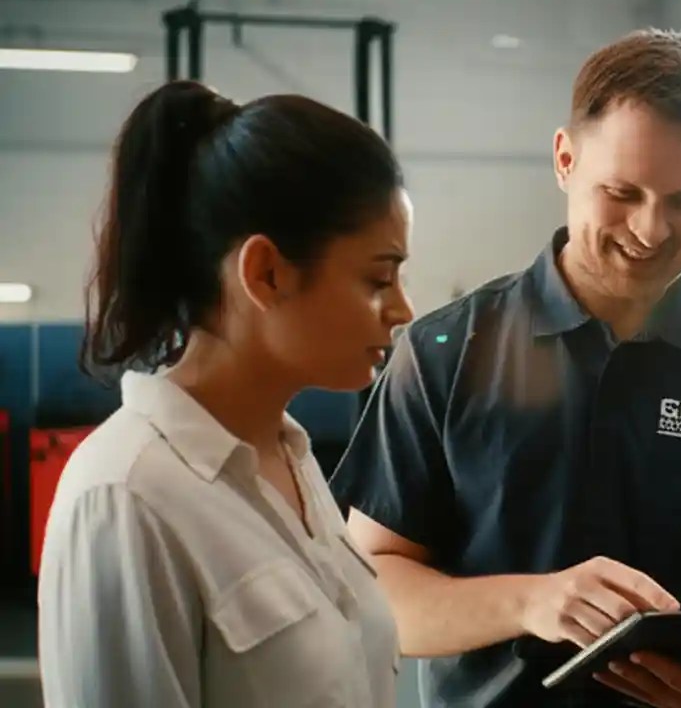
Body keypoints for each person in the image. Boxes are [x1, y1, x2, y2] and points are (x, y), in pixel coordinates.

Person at [331, 28, 681, 708]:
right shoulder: (446, 354)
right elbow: (370, 588)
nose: (650, 230)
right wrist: (530, 601)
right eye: (622, 191)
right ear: (565, 159)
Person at [37, 80, 415, 708]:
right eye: (379, 279)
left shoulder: (290, 460)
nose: (402, 309)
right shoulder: (126, 496)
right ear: (265, 273)